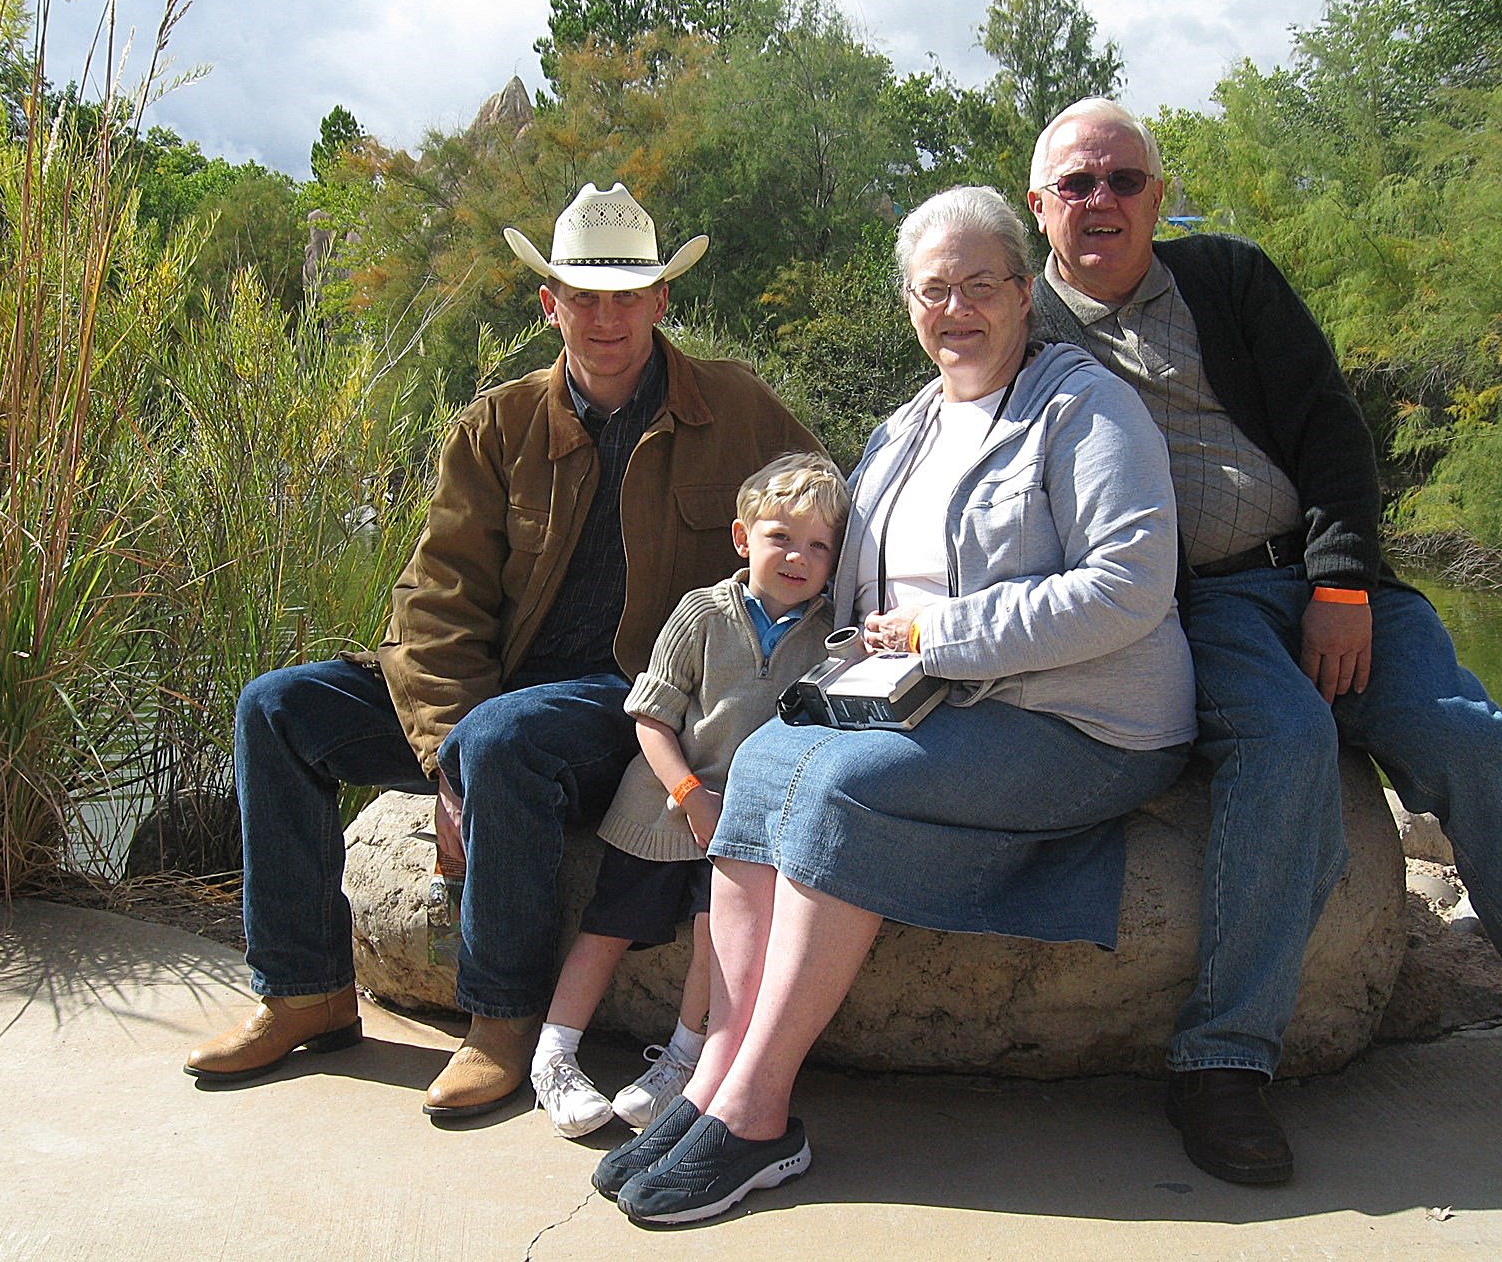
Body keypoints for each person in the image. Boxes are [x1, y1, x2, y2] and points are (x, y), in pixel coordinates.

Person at [1024, 97, 1502, 1185]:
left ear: (1158, 199)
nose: (1101, 200)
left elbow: (1330, 428)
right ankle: (1222, 1063)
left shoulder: (1228, 280)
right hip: (1195, 610)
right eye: (1077, 183)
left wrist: (1342, 585)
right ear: (1039, 207)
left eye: (1124, 180)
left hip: (1325, 578)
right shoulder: (1024, 326)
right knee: (1282, 750)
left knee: (1470, 738)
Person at [597, 185, 1197, 1226]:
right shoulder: (905, 428)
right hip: (928, 707)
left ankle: (758, 1115)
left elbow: (1127, 587)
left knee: (840, 788)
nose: (955, 308)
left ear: (1024, 291)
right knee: (768, 767)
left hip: (1085, 719)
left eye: (979, 285)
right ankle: (713, 1074)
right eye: (933, 291)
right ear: (910, 307)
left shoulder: (1088, 407)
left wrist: (938, 636)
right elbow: (853, 597)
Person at [182, 183, 820, 1122]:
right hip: (500, 699)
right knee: (279, 709)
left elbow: (824, 518)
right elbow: (435, 602)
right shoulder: (496, 426)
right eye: (583, 296)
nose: (606, 317)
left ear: (661, 303)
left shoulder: (737, 409)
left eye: (627, 294)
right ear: (548, 304)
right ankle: (304, 991)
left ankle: (503, 1020)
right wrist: (446, 755)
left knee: (506, 739)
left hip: (635, 704)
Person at [529, 452, 849, 1138]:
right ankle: (554, 1054)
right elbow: (650, 714)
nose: (798, 556)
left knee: (718, 939)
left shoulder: (828, 634)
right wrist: (688, 791)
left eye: (819, 546)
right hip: (661, 804)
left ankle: (681, 1060)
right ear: (743, 538)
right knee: (609, 926)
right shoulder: (702, 613)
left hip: (747, 823)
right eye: (781, 537)